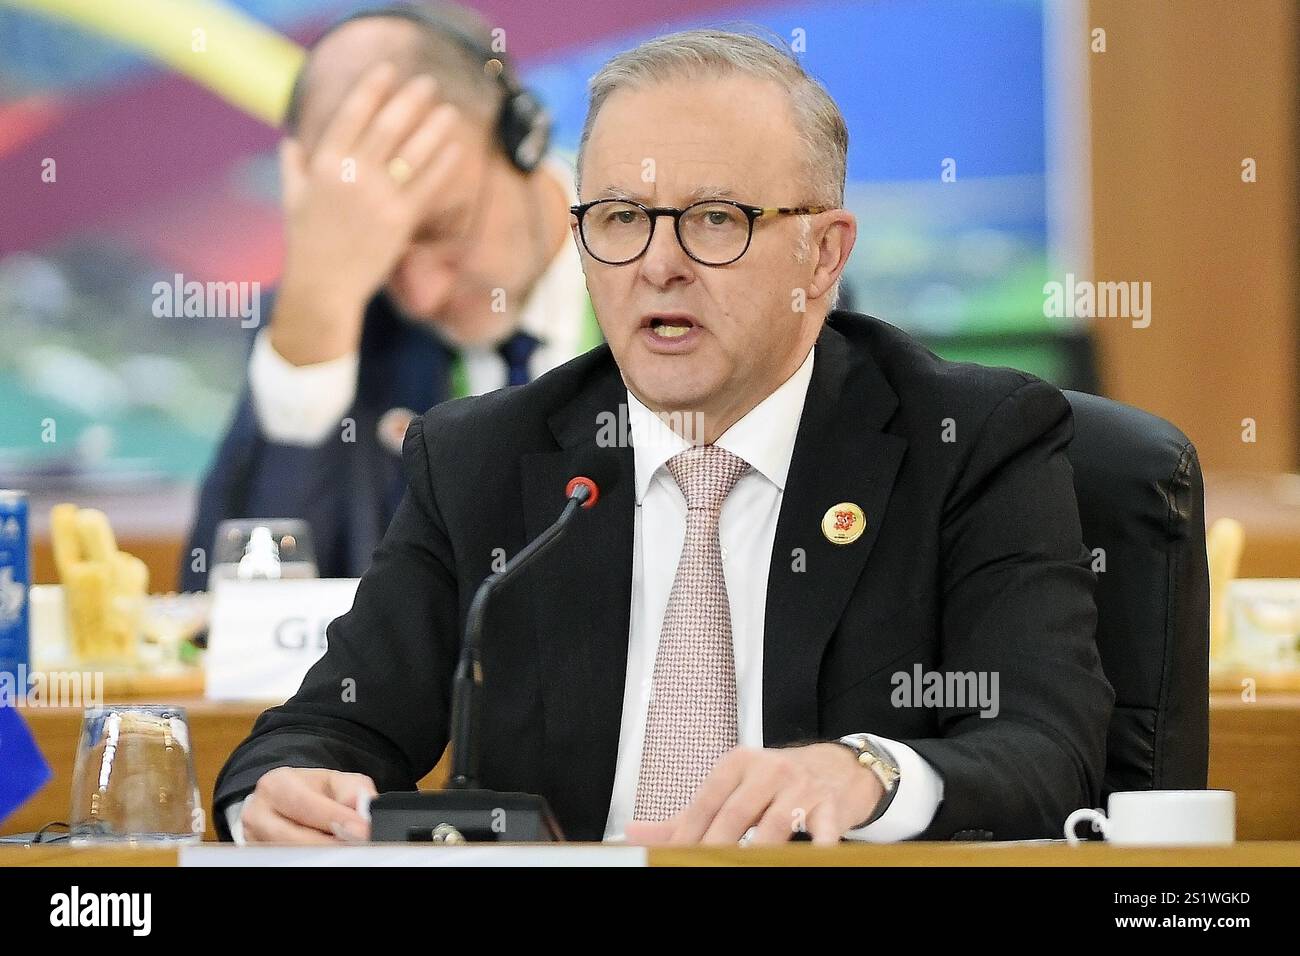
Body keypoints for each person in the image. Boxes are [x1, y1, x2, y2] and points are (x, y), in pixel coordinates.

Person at [214, 29, 1113, 845]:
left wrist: (863, 774)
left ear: (825, 255)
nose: (658, 263)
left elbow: (1047, 748)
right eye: (619, 218)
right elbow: (327, 729)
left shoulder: (969, 443)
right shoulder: (479, 459)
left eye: (716, 218)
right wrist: (279, 792)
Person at [182, 2, 596, 589]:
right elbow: (220, 634)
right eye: (381, 253)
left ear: (522, 139)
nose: (421, 297)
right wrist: (314, 325)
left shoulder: (655, 275)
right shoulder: (338, 308)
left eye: (444, 231)